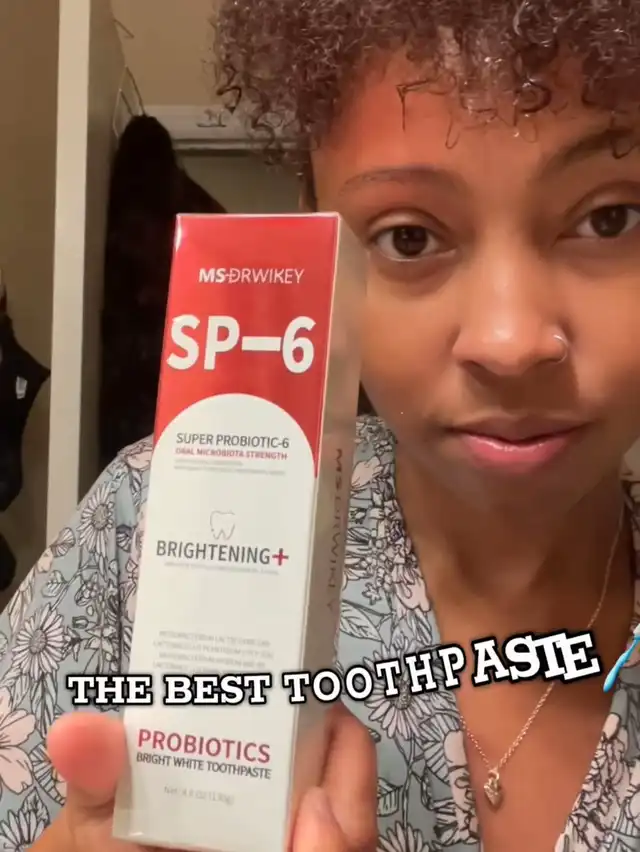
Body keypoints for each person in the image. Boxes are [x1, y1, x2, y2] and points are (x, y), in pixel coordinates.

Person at [3, 0, 640, 850]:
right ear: (321, 243)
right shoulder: (140, 525)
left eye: (610, 218)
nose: (510, 340)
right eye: (408, 237)